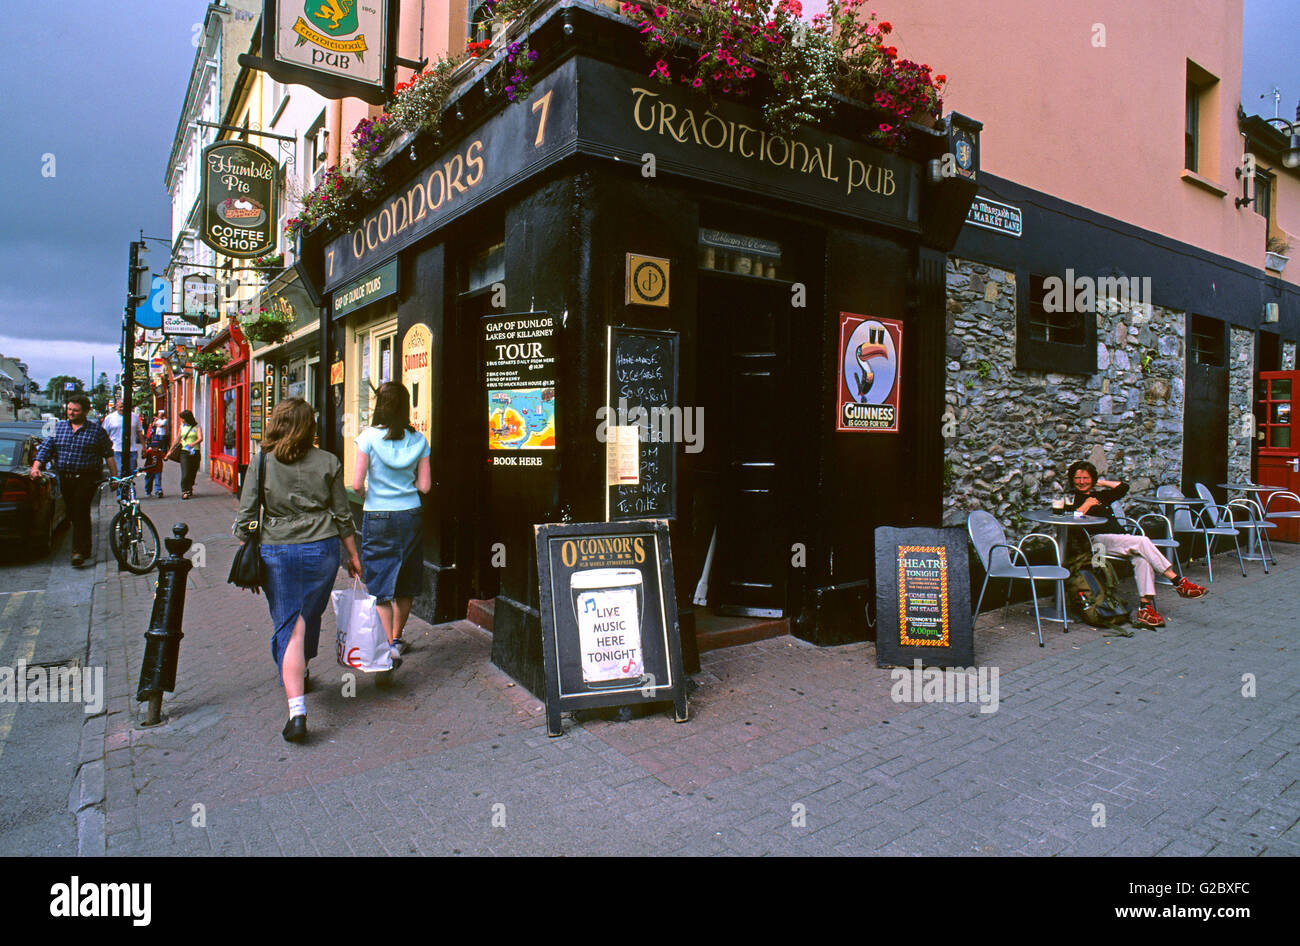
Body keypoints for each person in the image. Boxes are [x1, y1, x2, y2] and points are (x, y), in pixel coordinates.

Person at [235, 398, 361, 743]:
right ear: (310, 425)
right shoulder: (329, 461)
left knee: (290, 625)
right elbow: (342, 516)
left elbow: (246, 517)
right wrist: (353, 556)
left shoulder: (261, 461)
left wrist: (249, 546)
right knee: (307, 615)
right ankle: (300, 667)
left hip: (277, 550)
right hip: (323, 549)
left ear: (277, 422)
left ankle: (297, 712)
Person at [1065, 460, 1206, 628]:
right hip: (1097, 542)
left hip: (1119, 540)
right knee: (1143, 541)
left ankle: (1145, 608)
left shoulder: (1101, 496)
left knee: (1142, 559)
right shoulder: (1072, 499)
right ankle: (1178, 582)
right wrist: (1086, 505)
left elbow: (1122, 487)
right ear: (1072, 480)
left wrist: (1099, 482)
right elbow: (1069, 522)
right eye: (1077, 478)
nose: (1081, 482)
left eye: (1086, 478)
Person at [352, 382, 432, 662]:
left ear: (380, 406)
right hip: (410, 514)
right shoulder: (419, 440)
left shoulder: (368, 438)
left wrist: (368, 494)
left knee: (380, 581)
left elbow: (356, 483)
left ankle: (386, 646)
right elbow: (424, 487)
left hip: (378, 516)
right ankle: (397, 639)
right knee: (407, 582)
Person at [29, 394, 118, 567]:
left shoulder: (96, 431)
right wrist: (36, 467)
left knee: (80, 510)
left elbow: (108, 455)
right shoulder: (58, 427)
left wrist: (114, 477)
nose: (71, 413)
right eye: (69, 409)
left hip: (87, 477)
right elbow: (45, 449)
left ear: (85, 411)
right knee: (73, 514)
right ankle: (85, 548)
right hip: (66, 477)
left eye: (75, 410)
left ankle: (78, 551)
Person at [102, 400, 146, 501]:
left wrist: (144, 447)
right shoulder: (110, 418)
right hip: (116, 450)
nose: (122, 409)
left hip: (132, 450)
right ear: (116, 407)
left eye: (124, 406)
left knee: (131, 472)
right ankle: (120, 494)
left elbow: (140, 433)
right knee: (119, 473)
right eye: (120, 406)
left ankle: (130, 492)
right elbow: (104, 435)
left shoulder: (134, 417)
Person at [177, 409, 203, 499]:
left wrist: (193, 444)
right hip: (184, 452)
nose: (182, 420)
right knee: (185, 473)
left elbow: (200, 438)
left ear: (188, 418)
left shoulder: (197, 427)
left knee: (192, 472)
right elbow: (177, 440)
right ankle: (185, 491)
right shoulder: (182, 427)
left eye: (183, 418)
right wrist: (169, 452)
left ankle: (189, 486)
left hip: (195, 452)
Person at [143, 411, 169, 498]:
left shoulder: (159, 452)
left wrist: (166, 457)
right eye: (154, 447)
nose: (156, 449)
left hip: (158, 469)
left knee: (158, 480)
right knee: (148, 481)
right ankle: (148, 491)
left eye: (157, 447)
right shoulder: (149, 452)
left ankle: (158, 491)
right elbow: (144, 456)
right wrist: (143, 453)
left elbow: (164, 457)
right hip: (149, 469)